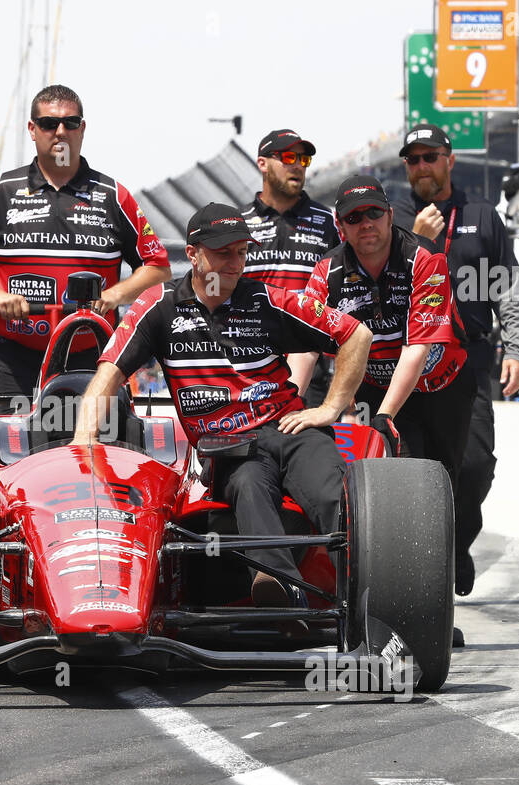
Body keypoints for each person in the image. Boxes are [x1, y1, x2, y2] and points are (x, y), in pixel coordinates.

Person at [72, 203, 371, 608]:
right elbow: (108, 374)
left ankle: (375, 597)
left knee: (338, 494)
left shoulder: (269, 299)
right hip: (227, 447)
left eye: (242, 252)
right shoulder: (158, 306)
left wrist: (330, 408)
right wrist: (82, 447)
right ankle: (282, 592)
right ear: (193, 254)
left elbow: (356, 335)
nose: (235, 263)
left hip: (290, 427)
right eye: (224, 252)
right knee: (248, 486)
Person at [0, 84, 171, 401]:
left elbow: (157, 267)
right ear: (33, 130)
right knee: (11, 449)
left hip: (94, 354)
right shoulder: (0, 190)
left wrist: (114, 296)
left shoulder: (114, 195)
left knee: (90, 449)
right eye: (49, 123)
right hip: (15, 355)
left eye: (70, 123)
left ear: (82, 129)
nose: (60, 132)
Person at [394, 123, 519, 596]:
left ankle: (457, 546)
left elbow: (507, 285)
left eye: (431, 157)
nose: (422, 166)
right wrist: (415, 238)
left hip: (467, 356)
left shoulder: (482, 215)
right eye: (413, 159)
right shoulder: (390, 219)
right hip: (407, 360)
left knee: (473, 466)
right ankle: (426, 579)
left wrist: (515, 348)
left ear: (450, 159)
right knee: (414, 470)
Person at [303, 174, 475, 511]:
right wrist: (290, 398)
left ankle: (440, 561)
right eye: (354, 217)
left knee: (442, 487)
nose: (365, 224)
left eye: (373, 214)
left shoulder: (425, 259)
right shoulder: (326, 272)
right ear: (341, 226)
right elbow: (306, 345)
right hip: (375, 386)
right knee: (390, 486)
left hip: (442, 386)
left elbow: (416, 349)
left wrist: (384, 417)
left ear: (390, 216)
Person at [241, 129, 344, 409]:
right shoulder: (239, 224)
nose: (298, 165)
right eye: (288, 157)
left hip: (310, 359)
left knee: (312, 446)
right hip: (250, 362)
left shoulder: (330, 221)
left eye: (304, 159)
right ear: (262, 163)